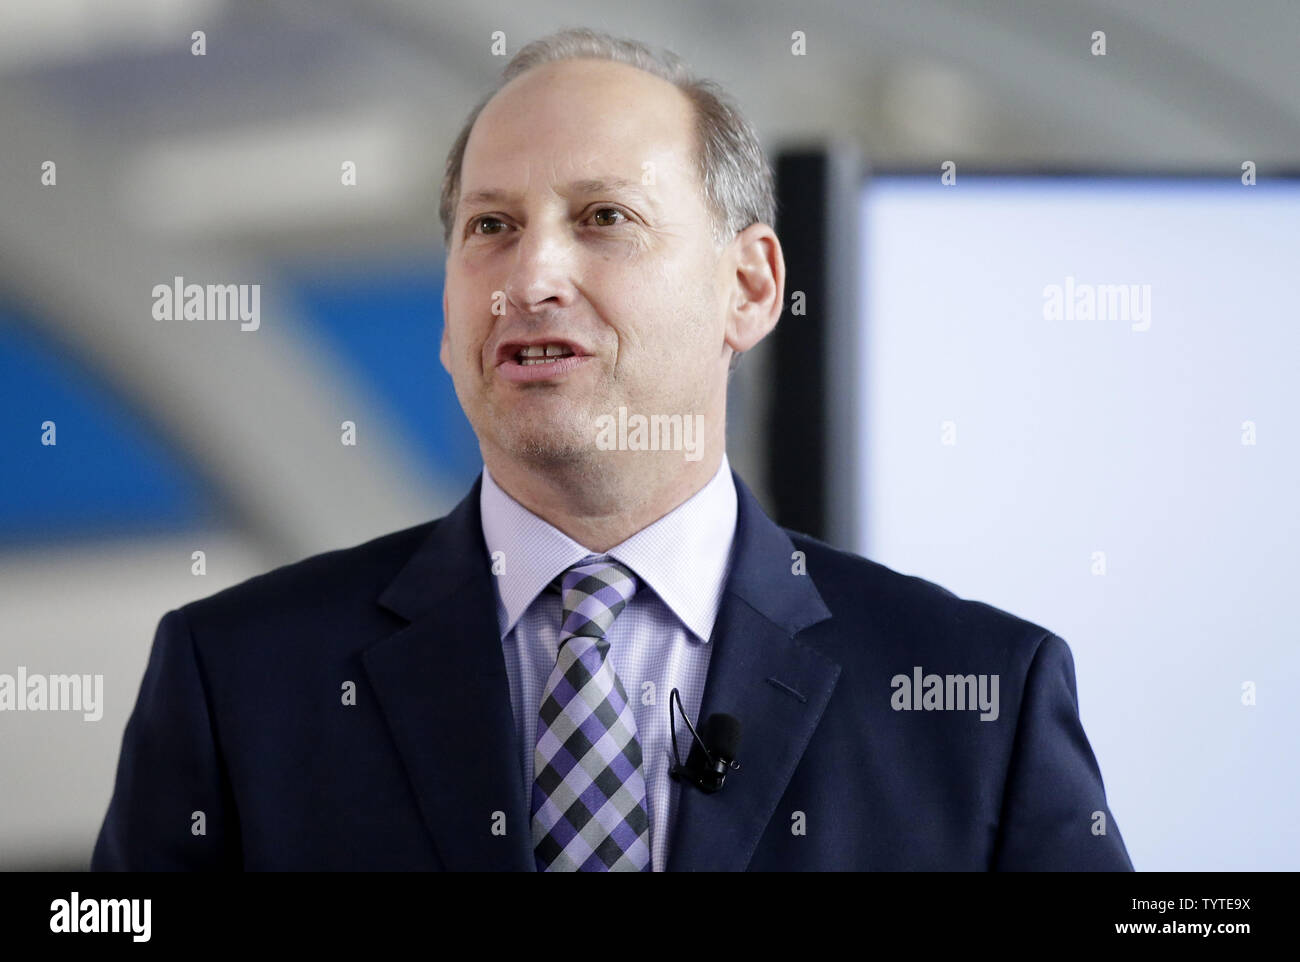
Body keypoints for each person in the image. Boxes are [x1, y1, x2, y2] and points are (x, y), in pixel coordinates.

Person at [92, 27, 1133, 872]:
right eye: (490, 225)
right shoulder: (240, 678)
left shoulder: (976, 696)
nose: (532, 273)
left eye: (603, 216)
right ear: (448, 314)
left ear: (751, 285)